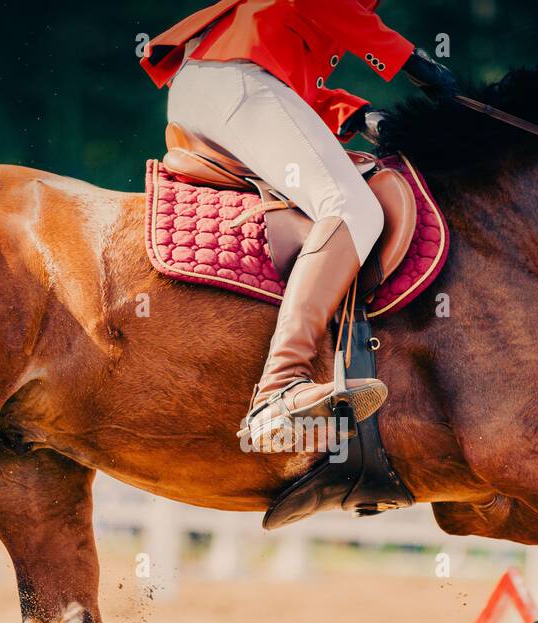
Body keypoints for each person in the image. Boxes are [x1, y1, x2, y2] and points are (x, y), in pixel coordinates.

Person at [140, 1, 457, 451]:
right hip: (235, 81)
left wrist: (358, 115)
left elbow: (297, 91)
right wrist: (412, 61)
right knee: (352, 208)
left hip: (226, 85)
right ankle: (279, 386)